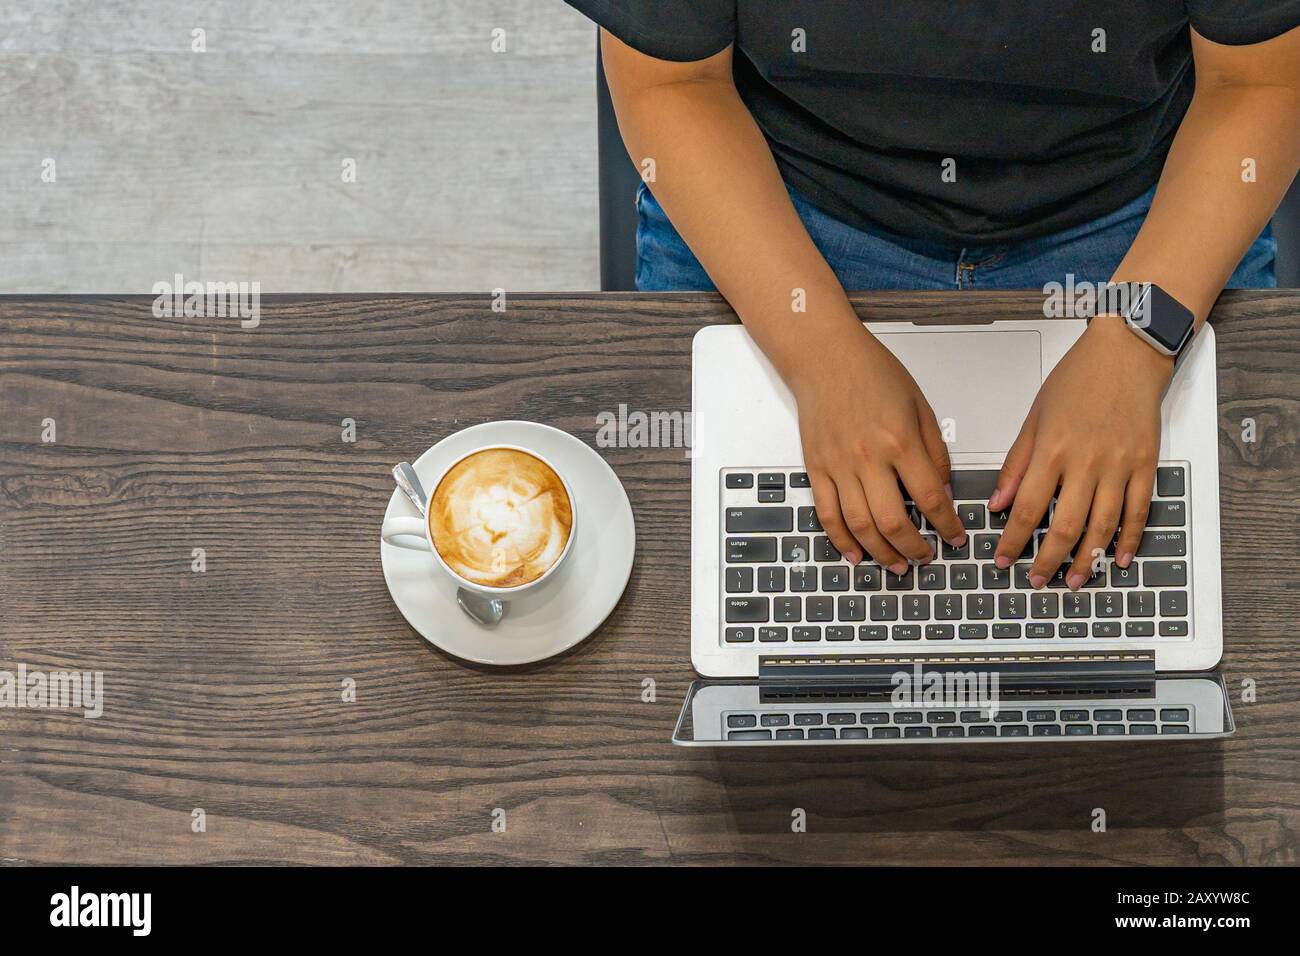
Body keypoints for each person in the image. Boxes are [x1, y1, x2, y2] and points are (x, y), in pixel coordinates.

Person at [568, 1, 1300, 590]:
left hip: (1143, 212)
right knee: (683, 603)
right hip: (778, 202)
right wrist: (819, 354)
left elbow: (1259, 83)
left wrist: (1136, 340)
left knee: (1227, 601)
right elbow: (672, 83)